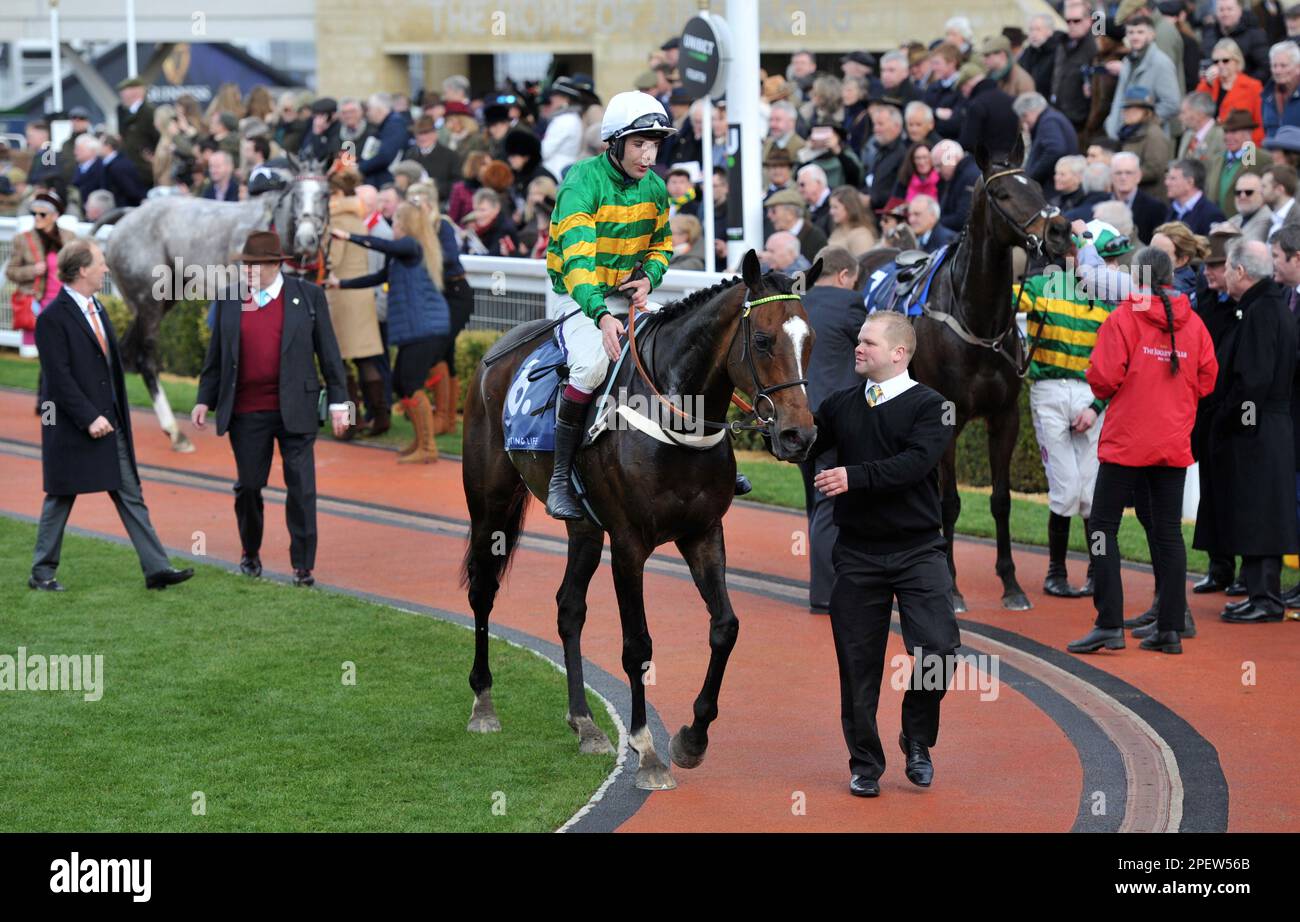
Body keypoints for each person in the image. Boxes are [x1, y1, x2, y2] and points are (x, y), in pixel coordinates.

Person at [805, 310, 961, 797]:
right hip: (856, 555)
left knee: (938, 651)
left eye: (868, 342)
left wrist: (854, 476)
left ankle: (917, 739)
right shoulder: (839, 405)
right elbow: (802, 445)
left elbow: (914, 464)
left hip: (919, 552)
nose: (858, 347)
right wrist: (773, 423)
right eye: (858, 340)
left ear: (898, 353)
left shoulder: (932, 406)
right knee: (857, 665)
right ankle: (865, 764)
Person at [1067, 246, 1217, 654]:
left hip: (1128, 439)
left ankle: (1109, 622)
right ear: (1170, 277)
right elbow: (1207, 380)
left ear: (1136, 279)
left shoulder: (1123, 319)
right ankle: (1170, 628)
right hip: (1172, 439)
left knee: (1102, 527)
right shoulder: (1195, 323)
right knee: (1168, 532)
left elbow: (1102, 379)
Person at [543, 91, 683, 519]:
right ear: (615, 143)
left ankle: (700, 455)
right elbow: (578, 262)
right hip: (575, 293)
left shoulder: (656, 188)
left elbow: (663, 245)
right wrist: (601, 314)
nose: (648, 154)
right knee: (592, 366)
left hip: (624, 292)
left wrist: (648, 278)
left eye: (654, 144)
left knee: (680, 347)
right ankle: (560, 478)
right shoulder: (580, 181)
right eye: (640, 143)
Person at [30, 239, 194, 592]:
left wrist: (111, 416)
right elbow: (58, 379)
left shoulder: (98, 309)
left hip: (110, 422)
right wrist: (89, 417)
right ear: (83, 269)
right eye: (101, 263)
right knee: (61, 496)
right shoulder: (51, 319)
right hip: (75, 425)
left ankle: (157, 568)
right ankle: (42, 572)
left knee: (130, 493)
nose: (106, 269)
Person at [192, 232, 349, 586]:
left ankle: (303, 566)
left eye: (255, 265)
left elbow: (329, 353)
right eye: (245, 264)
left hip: (297, 408)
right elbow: (215, 357)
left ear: (276, 265)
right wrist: (205, 398)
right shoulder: (231, 297)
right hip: (247, 411)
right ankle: (250, 553)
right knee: (248, 486)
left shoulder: (308, 296)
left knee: (301, 487)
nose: (248, 270)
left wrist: (341, 402)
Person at [1018, 221, 1126, 598]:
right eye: (1105, 257)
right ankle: (1056, 573)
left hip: (1091, 397)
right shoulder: (1040, 284)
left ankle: (1096, 573)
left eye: (1114, 260)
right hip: (1048, 390)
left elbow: (1119, 363)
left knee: (1093, 494)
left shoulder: (1115, 299)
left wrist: (1096, 406)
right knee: (1065, 489)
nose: (1112, 267)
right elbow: (1004, 300)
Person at [1211, 239, 1300, 621]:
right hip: (1266, 424)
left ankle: (1265, 599)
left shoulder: (1262, 311)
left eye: (1228, 269)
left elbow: (1256, 379)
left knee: (1261, 510)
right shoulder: (1267, 306)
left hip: (1260, 427)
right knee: (1256, 509)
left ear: (1241, 272)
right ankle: (1259, 592)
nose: (1224, 276)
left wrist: (1240, 423)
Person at [328, 203, 452, 463]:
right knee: (401, 384)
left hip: (425, 329)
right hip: (417, 331)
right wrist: (341, 284)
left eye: (395, 222)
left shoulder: (410, 246)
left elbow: (384, 246)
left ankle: (428, 448)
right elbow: (377, 277)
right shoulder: (403, 255)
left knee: (409, 383)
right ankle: (421, 442)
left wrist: (349, 236)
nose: (392, 226)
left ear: (406, 225)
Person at [800, 246, 867, 615]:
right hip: (836, 418)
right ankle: (827, 592)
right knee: (830, 504)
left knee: (817, 502)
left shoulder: (798, 302)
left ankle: (827, 586)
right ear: (844, 276)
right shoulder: (849, 303)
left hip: (798, 418)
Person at [1189, 224, 1244, 598]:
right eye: (1206, 265)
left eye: (1216, 266)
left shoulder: (1248, 306)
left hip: (1238, 411)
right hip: (1205, 409)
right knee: (1209, 489)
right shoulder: (1205, 301)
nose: (1208, 271)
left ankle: (1248, 572)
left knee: (1239, 492)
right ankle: (1219, 566)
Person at [324, 168, 388, 440]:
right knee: (365, 360)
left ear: (337, 194)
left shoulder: (337, 221)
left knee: (341, 364)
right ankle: (381, 415)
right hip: (361, 295)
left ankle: (351, 422)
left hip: (342, 296)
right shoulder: (359, 220)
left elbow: (332, 261)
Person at [1194, 38, 1265, 144]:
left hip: (1243, 147)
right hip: (1212, 145)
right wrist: (1207, 84)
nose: (1220, 65)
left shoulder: (1253, 86)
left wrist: (1248, 152)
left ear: (1237, 61)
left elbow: (1261, 126)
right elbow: (1196, 107)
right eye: (1216, 61)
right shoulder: (1210, 84)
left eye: (1225, 60)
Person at [1165, 159, 1226, 234]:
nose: (1167, 183)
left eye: (1173, 178)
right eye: (1167, 178)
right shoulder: (1173, 210)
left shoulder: (1211, 215)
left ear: (1190, 182)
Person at [827, 185, 876, 256]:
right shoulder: (837, 231)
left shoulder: (861, 235)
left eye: (835, 207)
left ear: (849, 207)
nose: (831, 212)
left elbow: (865, 264)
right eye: (831, 207)